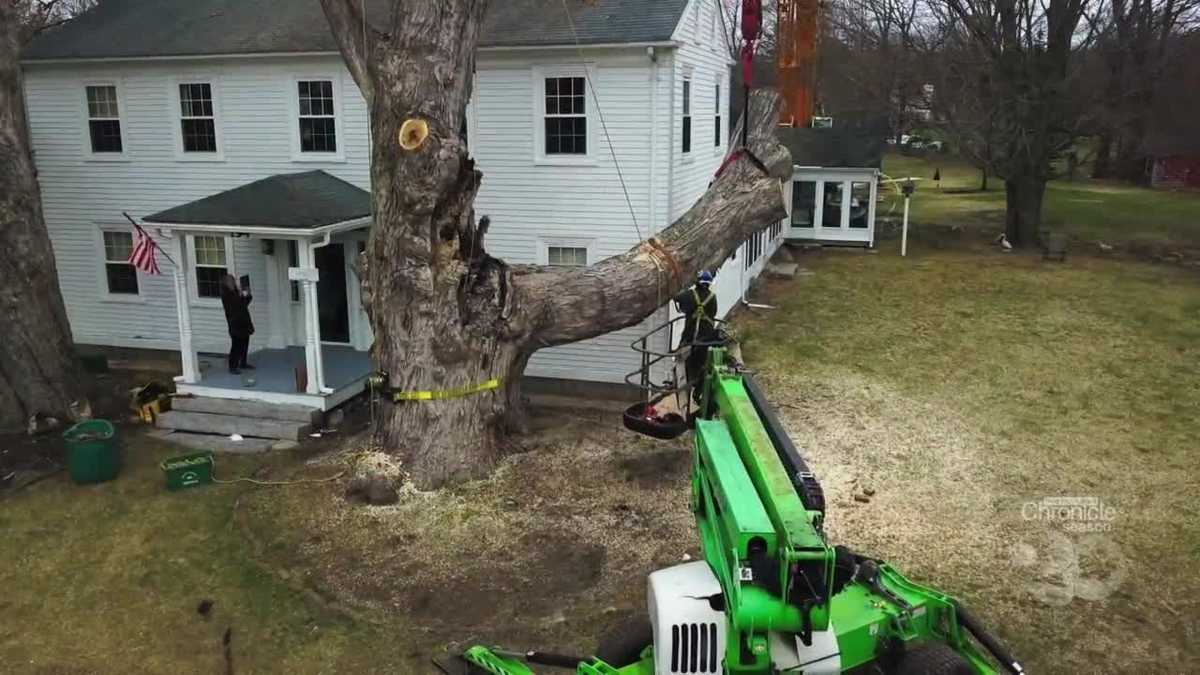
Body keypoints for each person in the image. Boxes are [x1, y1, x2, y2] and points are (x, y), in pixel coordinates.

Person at [674, 270, 719, 395]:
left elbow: (676, 298)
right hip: (706, 337)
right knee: (702, 362)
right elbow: (713, 313)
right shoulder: (712, 298)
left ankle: (683, 384)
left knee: (684, 359)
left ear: (697, 282)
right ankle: (700, 385)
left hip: (689, 336)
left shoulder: (688, 295)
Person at [220, 274, 254, 374]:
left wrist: (248, 295)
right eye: (232, 280)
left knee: (245, 343)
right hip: (235, 323)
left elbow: (244, 304)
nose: (234, 282)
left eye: (234, 280)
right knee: (236, 346)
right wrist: (241, 294)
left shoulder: (235, 292)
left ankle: (243, 363)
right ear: (227, 282)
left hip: (243, 321)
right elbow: (237, 305)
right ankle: (232, 366)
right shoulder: (226, 294)